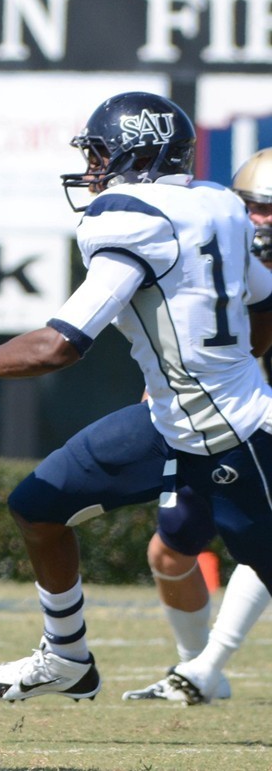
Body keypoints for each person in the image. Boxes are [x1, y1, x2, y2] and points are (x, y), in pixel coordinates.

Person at [0, 91, 272, 705]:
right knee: (38, 505)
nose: (94, 168)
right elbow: (263, 308)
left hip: (231, 432)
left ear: (140, 155)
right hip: (169, 419)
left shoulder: (132, 217)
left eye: (103, 153)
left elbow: (59, 346)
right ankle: (66, 657)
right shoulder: (217, 203)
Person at [122, 147, 272, 704]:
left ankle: (205, 669)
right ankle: (195, 668)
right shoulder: (223, 260)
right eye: (253, 207)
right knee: (169, 551)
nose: (261, 221)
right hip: (218, 428)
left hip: (255, 427)